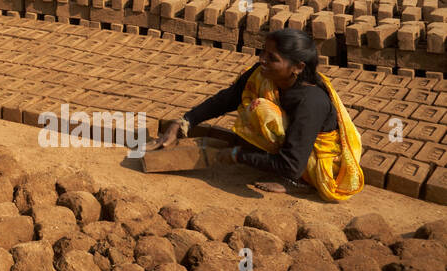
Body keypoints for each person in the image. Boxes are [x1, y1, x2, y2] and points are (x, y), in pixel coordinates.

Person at [152, 28, 363, 201]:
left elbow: (290, 164)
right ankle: (272, 158)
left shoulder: (311, 101)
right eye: (262, 52)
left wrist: (237, 156)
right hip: (295, 145)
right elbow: (228, 98)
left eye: (272, 58)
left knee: (261, 110)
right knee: (254, 106)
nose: (262, 59)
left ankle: (298, 182)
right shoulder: (264, 75)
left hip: (319, 161)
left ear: (298, 67)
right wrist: (184, 122)